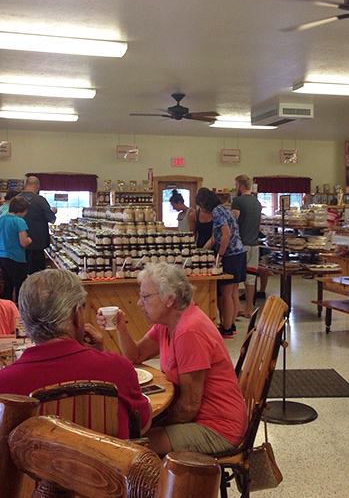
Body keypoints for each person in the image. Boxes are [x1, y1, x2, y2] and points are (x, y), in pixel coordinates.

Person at [0, 269, 150, 493]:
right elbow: (140, 425)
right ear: (76, 316)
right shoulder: (119, 368)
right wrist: (101, 357)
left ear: (26, 320)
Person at [98, 263, 246, 457]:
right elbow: (135, 356)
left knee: (131, 450)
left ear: (169, 299)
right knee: (131, 435)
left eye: (146, 297)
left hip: (217, 427)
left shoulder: (189, 331)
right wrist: (120, 327)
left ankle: (161, 487)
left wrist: (154, 421)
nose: (139, 303)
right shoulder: (168, 324)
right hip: (200, 418)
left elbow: (189, 406)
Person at [195, 187, 246, 338]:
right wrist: (201, 252)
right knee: (229, 292)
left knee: (226, 293)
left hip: (232, 254)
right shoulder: (222, 209)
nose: (201, 209)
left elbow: (225, 235)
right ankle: (229, 323)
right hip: (237, 253)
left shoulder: (217, 211)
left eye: (201, 205)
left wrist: (220, 256)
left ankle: (227, 328)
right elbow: (214, 237)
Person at [231, 175, 262, 318]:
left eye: (236, 185)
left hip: (240, 245)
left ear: (241, 186)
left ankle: (237, 307)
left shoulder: (237, 201)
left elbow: (233, 220)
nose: (235, 188)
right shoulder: (257, 203)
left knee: (235, 279)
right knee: (251, 279)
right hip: (254, 245)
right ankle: (248, 309)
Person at [0, 196, 32, 302]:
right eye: (25, 211)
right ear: (21, 210)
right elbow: (23, 242)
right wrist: (29, 239)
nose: (26, 213)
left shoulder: (1, 219)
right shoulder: (19, 221)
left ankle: (6, 311)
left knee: (4, 288)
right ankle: (20, 312)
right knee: (21, 287)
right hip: (15, 258)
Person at [18, 176, 56, 275]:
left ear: (26, 185)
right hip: (36, 242)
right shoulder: (39, 200)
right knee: (36, 274)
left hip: (18, 242)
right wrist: (53, 212)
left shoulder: (16, 199)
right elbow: (52, 219)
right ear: (37, 187)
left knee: (21, 273)